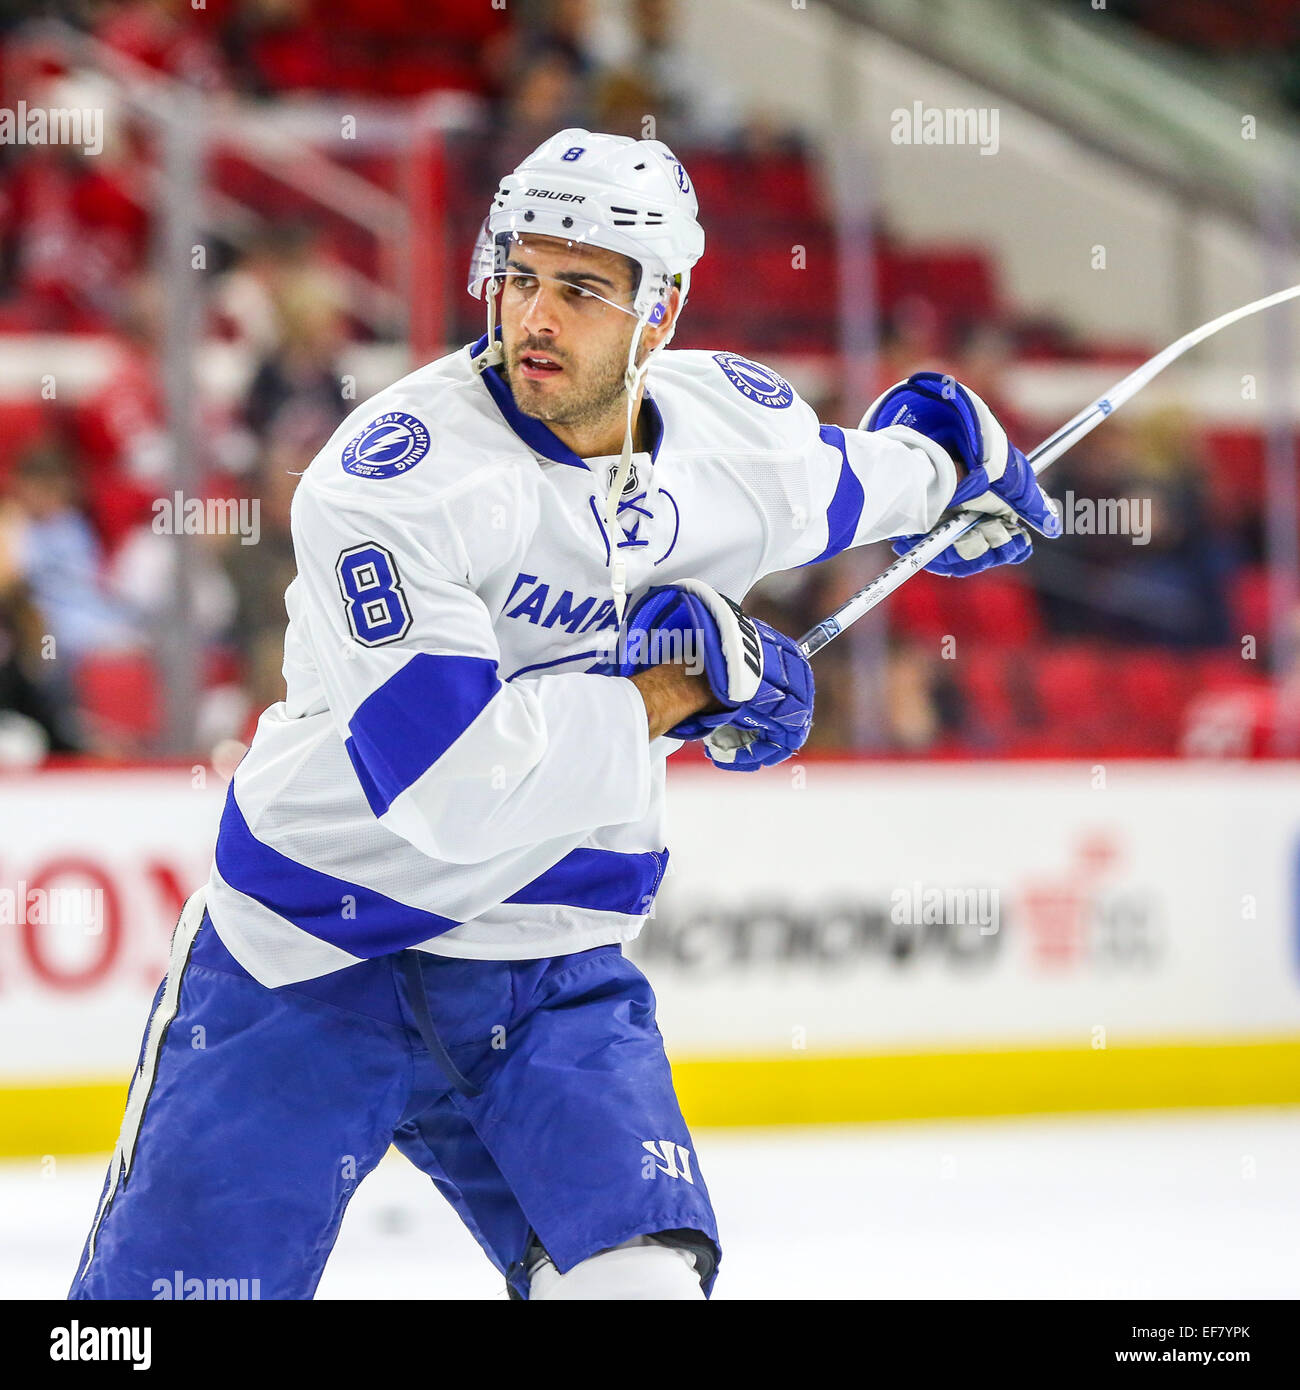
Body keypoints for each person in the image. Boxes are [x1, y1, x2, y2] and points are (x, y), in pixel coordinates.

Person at [70, 128, 1057, 1301]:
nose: (534, 316)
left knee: (643, 1290)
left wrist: (954, 461)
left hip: (541, 968)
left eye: (582, 289)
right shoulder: (396, 482)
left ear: (662, 310)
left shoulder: (734, 436)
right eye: (521, 276)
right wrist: (683, 690)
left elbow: (856, 482)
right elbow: (448, 786)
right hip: (311, 949)